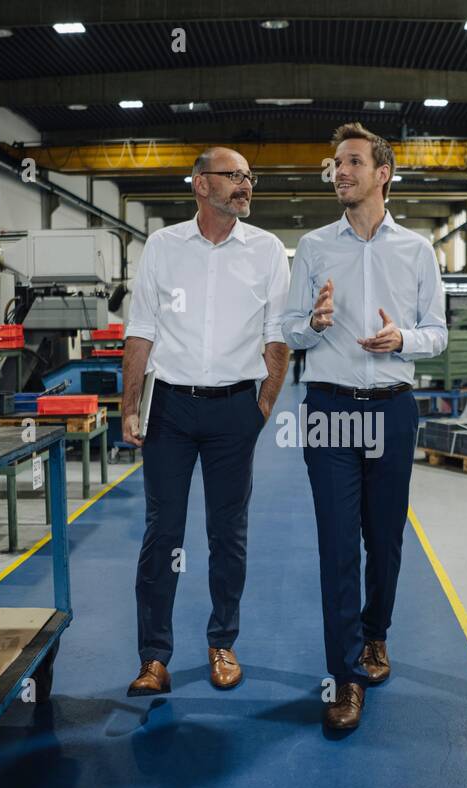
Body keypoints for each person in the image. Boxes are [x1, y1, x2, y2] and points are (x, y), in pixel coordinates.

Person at [280, 122, 447, 731]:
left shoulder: (418, 249)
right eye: (334, 164)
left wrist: (403, 336)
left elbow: (439, 332)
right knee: (336, 544)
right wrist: (315, 323)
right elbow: (288, 327)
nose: (339, 172)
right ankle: (345, 678)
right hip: (329, 408)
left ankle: (376, 634)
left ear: (383, 174)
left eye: (352, 162)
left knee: (386, 538)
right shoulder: (314, 246)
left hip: (393, 407)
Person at [121, 146, 290, 696]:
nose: (245, 185)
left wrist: (260, 406)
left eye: (248, 176)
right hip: (169, 408)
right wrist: (129, 405)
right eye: (233, 176)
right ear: (200, 184)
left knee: (228, 533)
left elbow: (277, 336)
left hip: (234, 408)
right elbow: (140, 332)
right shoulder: (164, 247)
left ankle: (222, 642)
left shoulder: (266, 251)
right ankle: (154, 657)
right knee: (162, 531)